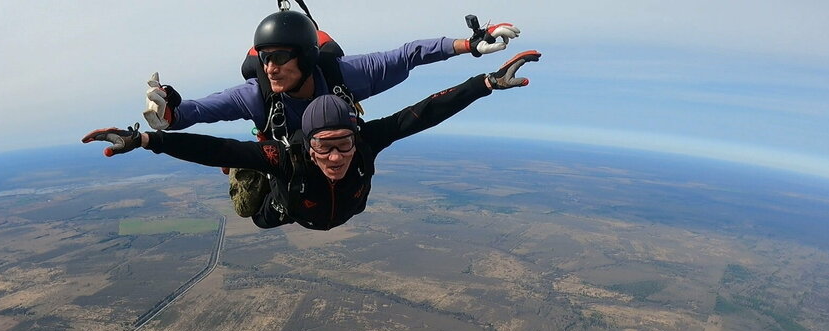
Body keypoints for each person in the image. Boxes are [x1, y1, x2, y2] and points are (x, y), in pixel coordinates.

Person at [84, 50, 541, 231]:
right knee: (252, 211)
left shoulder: (367, 141)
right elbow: (215, 149)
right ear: (307, 145)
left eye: (344, 143)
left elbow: (423, 113)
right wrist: (146, 140)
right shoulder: (287, 158)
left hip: (334, 208)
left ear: (355, 134)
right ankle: (253, 172)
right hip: (285, 210)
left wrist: (483, 82)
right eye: (325, 147)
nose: (338, 156)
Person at [142, 9, 521, 217]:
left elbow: (409, 55)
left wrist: (469, 45)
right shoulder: (257, 95)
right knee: (248, 208)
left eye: (278, 57)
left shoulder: (346, 75)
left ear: (306, 57)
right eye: (265, 58)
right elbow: (203, 110)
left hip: (326, 154)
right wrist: (170, 117)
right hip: (281, 160)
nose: (270, 68)